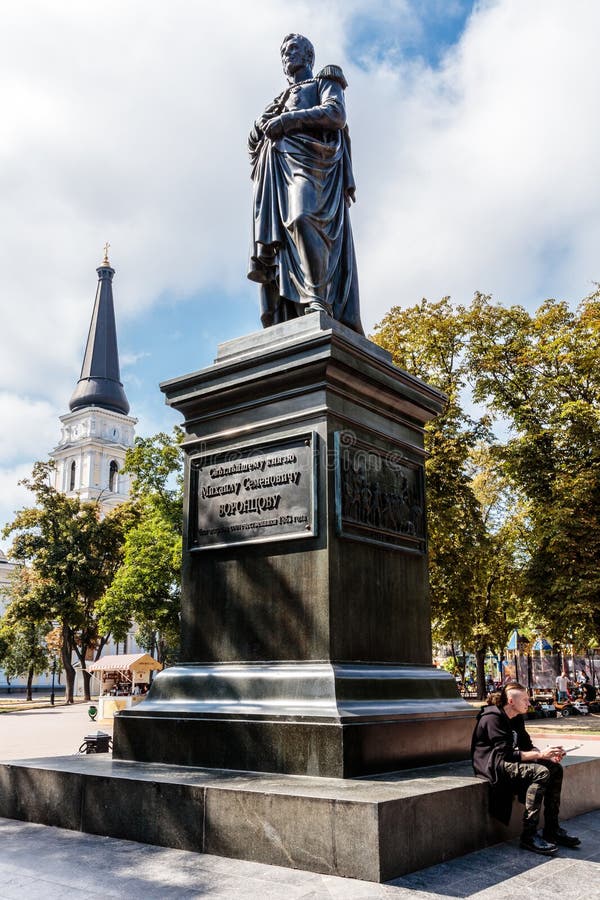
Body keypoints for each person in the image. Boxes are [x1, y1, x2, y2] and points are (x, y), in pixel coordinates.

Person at [248, 34, 363, 334]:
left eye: (293, 49)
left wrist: (287, 122)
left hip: (313, 167)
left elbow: (335, 114)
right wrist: (258, 129)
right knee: (283, 243)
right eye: (283, 52)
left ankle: (318, 300)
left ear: (309, 55)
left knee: (303, 217)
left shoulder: (325, 81)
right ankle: (289, 313)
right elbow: (253, 147)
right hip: (276, 177)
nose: (287, 55)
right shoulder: (276, 101)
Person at [471, 682, 580, 856]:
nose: (528, 703)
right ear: (511, 701)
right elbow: (506, 755)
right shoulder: (492, 717)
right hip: (493, 765)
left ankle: (552, 830)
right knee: (541, 772)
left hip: (509, 760)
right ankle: (528, 835)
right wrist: (540, 755)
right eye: (525, 699)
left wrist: (547, 755)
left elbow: (527, 746)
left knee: (555, 768)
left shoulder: (517, 718)